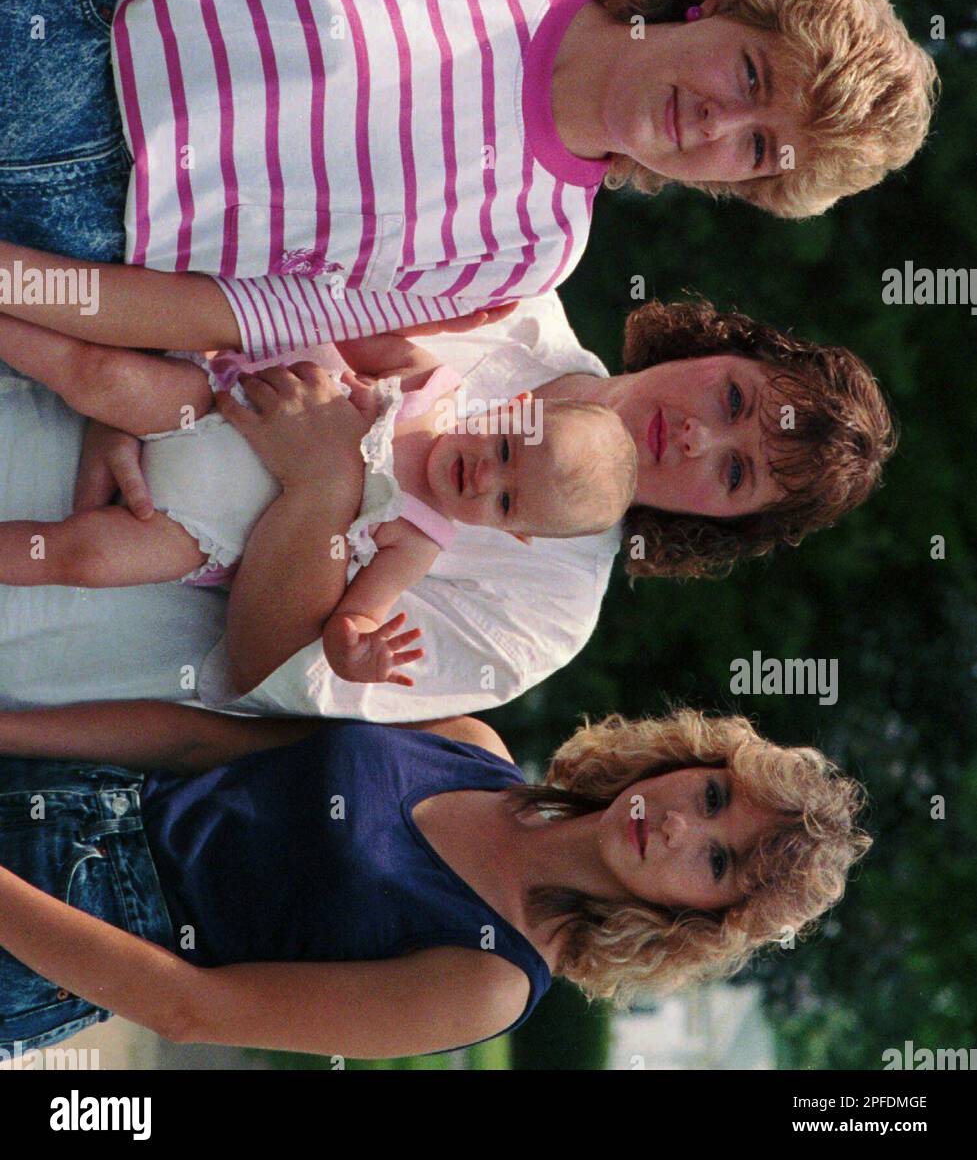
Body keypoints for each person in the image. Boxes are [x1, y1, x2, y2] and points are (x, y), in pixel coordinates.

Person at [0, 0, 937, 356]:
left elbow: (226, 312)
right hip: (56, 41)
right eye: (749, 76)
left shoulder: (532, 255)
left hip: (76, 244)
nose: (719, 126)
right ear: (714, 2)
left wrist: (16, 283)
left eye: (760, 150)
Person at [0, 293, 894, 715]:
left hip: (55, 604)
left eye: (735, 474)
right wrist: (119, 402)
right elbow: (259, 279)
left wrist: (323, 484)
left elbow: (264, 670)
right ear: (718, 348)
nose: (700, 437)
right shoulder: (510, 298)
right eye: (734, 401)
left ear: (722, 525)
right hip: (57, 385)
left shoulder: (542, 617)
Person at [0, 700, 870, 1057]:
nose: (679, 823)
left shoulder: (489, 982)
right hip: (51, 786)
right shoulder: (472, 744)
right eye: (712, 794)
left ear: (697, 917)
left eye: (713, 860)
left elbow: (190, 1008)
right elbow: (197, 739)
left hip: (54, 938)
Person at [0, 318, 636, 689]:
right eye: (503, 448)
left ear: (515, 534)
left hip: (197, 532)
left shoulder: (419, 538)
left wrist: (357, 653)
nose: (483, 478)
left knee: (81, 558)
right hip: (218, 408)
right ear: (514, 407)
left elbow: (352, 617)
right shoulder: (430, 383)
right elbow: (344, 317)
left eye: (504, 502)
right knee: (99, 376)